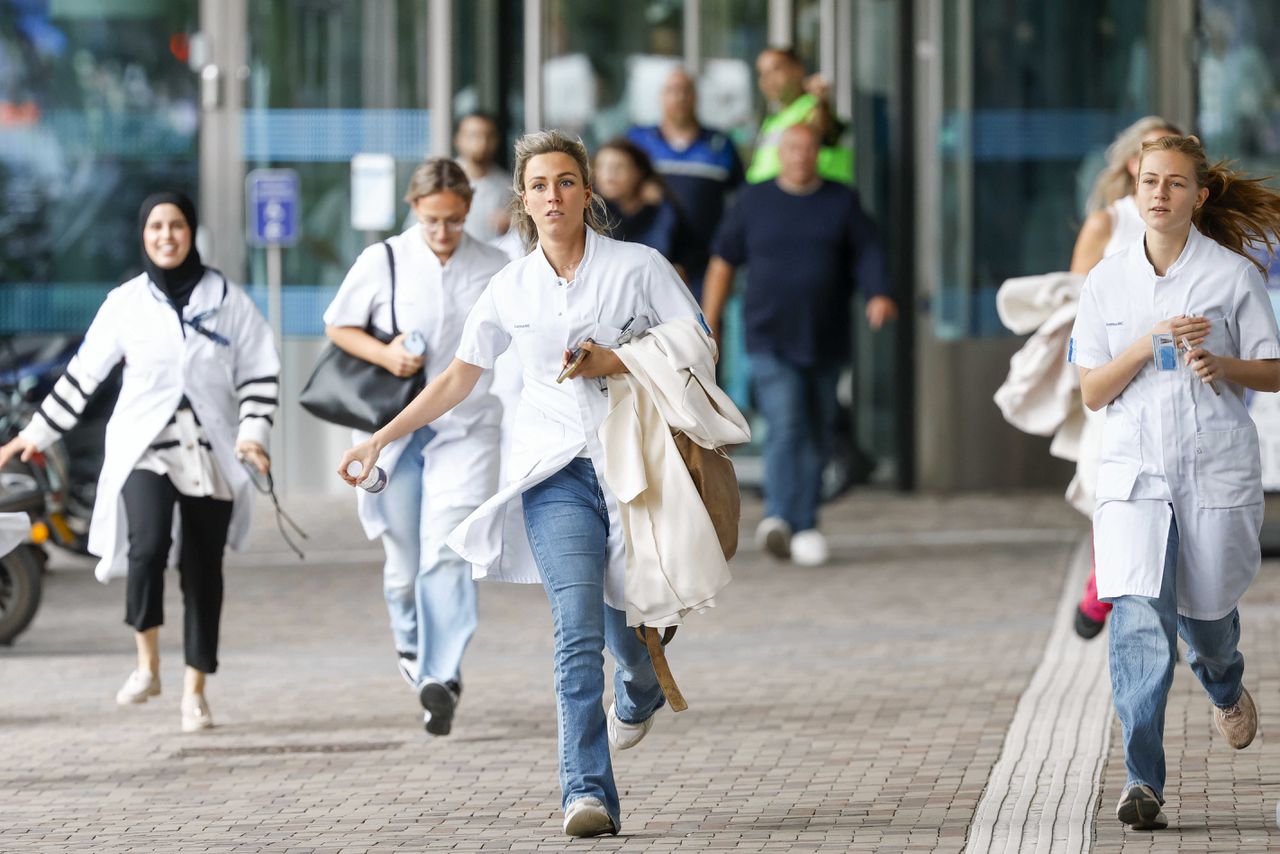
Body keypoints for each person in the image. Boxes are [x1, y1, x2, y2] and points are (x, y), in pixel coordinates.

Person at [338, 130, 704, 838]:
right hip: (552, 474)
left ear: (587, 192)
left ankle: (640, 686)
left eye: (566, 181)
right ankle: (585, 792)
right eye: (539, 185)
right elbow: (457, 377)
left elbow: (697, 340)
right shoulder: (509, 286)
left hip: (634, 472)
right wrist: (383, 436)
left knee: (628, 630)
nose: (553, 196)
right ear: (522, 201)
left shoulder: (639, 267)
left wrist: (618, 360)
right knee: (573, 629)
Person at [0, 192, 279, 733]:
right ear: (143, 235)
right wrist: (33, 435)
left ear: (191, 231)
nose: (167, 235)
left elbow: (260, 373)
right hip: (144, 448)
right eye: (156, 227)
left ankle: (195, 691)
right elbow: (82, 377)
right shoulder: (125, 302)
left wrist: (253, 435)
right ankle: (148, 665)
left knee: (202, 571)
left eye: (176, 225)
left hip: (211, 452)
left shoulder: (228, 299)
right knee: (147, 546)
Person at [1068, 134, 1280, 831]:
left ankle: (1225, 683)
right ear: (1134, 187)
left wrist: (1223, 364)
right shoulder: (1108, 279)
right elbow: (1093, 391)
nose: (1160, 194)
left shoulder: (1231, 276)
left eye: (1175, 184)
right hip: (1133, 473)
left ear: (1199, 194)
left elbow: (1273, 368)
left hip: (1214, 467)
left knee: (1207, 620)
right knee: (1138, 622)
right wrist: (1144, 345)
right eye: (1149, 182)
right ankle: (1142, 781)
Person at [324, 158, 509, 736]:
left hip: (467, 428)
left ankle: (440, 674)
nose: (443, 233)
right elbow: (339, 324)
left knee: (448, 551)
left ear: (468, 210)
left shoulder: (494, 266)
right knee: (404, 564)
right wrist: (388, 355)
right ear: (414, 209)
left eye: (454, 220)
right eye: (432, 221)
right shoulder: (383, 261)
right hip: (392, 434)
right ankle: (412, 649)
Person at [702, 123, 896, 566]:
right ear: (779, 153)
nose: (800, 156)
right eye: (792, 148)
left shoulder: (842, 201)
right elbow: (722, 262)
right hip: (769, 334)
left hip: (826, 337)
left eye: (808, 149)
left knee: (818, 428)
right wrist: (708, 318)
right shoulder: (754, 201)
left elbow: (869, 251)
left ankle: (804, 522)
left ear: (818, 154)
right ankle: (781, 518)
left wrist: (879, 293)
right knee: (788, 422)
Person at [1067, 116, 1184, 640]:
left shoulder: (1196, 224)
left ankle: (1154, 611)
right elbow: (1076, 301)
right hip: (1116, 380)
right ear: (1132, 166)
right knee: (1110, 484)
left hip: (1180, 379)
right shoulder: (1106, 224)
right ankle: (1103, 587)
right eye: (1147, 157)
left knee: (1173, 496)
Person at [626, 67, 745, 300]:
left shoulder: (720, 145)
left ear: (695, 97)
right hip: (648, 260)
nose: (679, 97)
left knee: (705, 333)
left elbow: (740, 200)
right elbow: (614, 192)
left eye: (686, 91)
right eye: (672, 90)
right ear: (661, 97)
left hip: (706, 264)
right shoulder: (637, 141)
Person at [746, 46, 852, 185]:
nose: (767, 79)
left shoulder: (813, 107)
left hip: (811, 201)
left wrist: (822, 102)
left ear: (798, 70)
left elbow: (824, 130)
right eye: (761, 73)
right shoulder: (775, 120)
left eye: (776, 70)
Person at [403, 112, 514, 243]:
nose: (482, 142)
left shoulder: (509, 185)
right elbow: (412, 230)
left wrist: (512, 224)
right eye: (473, 135)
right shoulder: (439, 179)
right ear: (457, 139)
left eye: (488, 135)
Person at [593, 137, 692, 279]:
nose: (609, 174)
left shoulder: (662, 209)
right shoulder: (585, 210)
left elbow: (685, 257)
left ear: (639, 172)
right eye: (602, 166)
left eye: (619, 166)